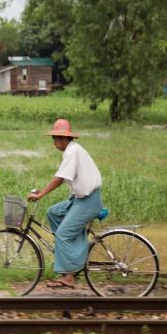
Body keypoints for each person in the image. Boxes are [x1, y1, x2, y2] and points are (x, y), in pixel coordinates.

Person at [26, 118, 102, 289]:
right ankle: (70, 258)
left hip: (88, 202)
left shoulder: (72, 152)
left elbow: (59, 179)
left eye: (55, 138)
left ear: (64, 138)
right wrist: (42, 192)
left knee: (62, 234)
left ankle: (68, 276)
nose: (53, 142)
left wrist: (41, 195)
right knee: (53, 212)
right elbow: (61, 176)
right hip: (78, 199)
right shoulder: (72, 151)